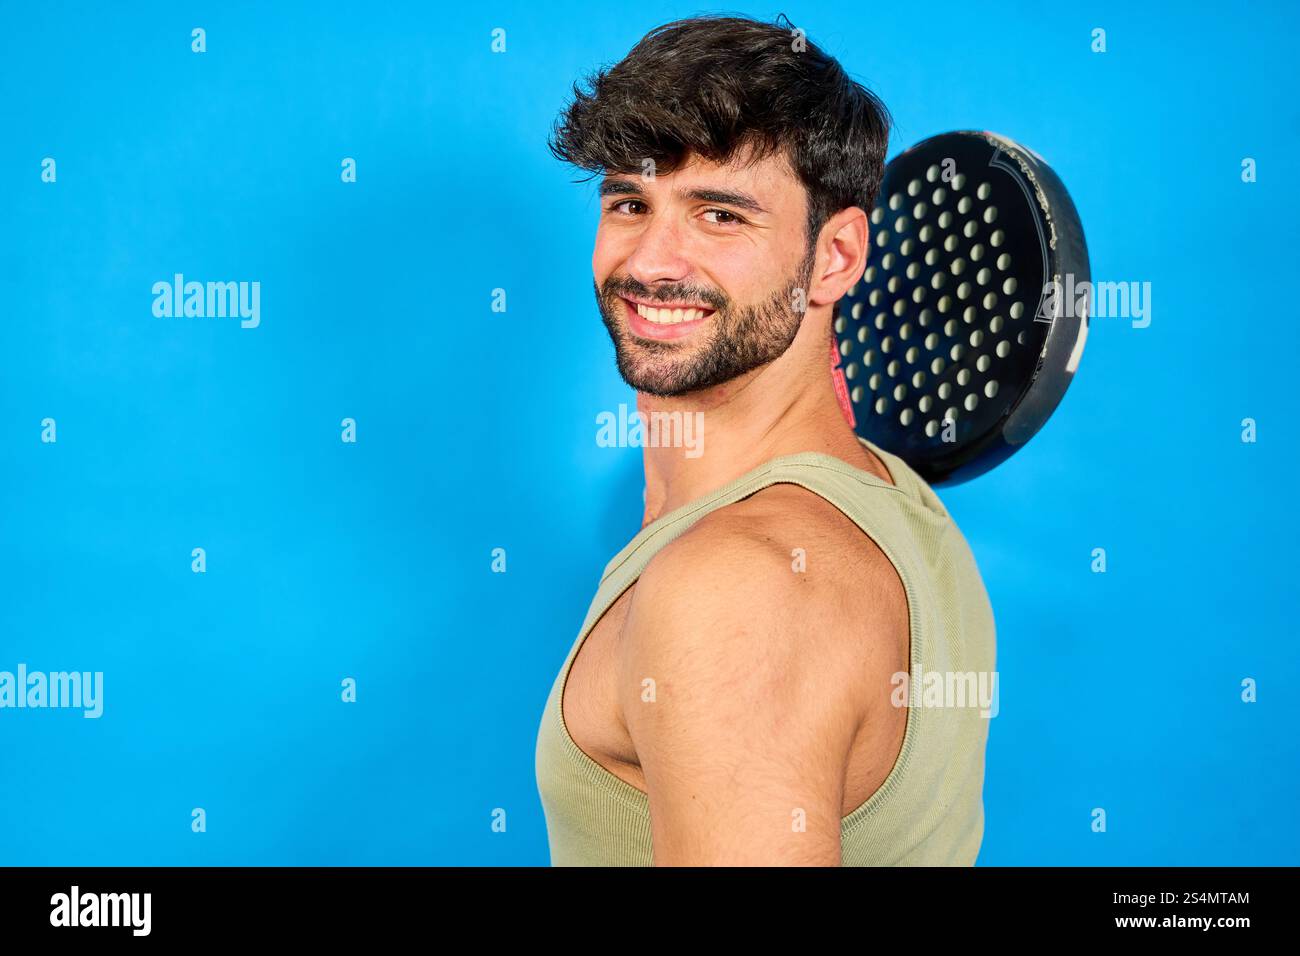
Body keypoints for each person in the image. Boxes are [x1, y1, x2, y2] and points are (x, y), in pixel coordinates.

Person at [535, 13, 996, 866]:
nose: (654, 262)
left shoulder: (736, 590)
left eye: (720, 216)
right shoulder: (895, 498)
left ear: (836, 258)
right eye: (630, 203)